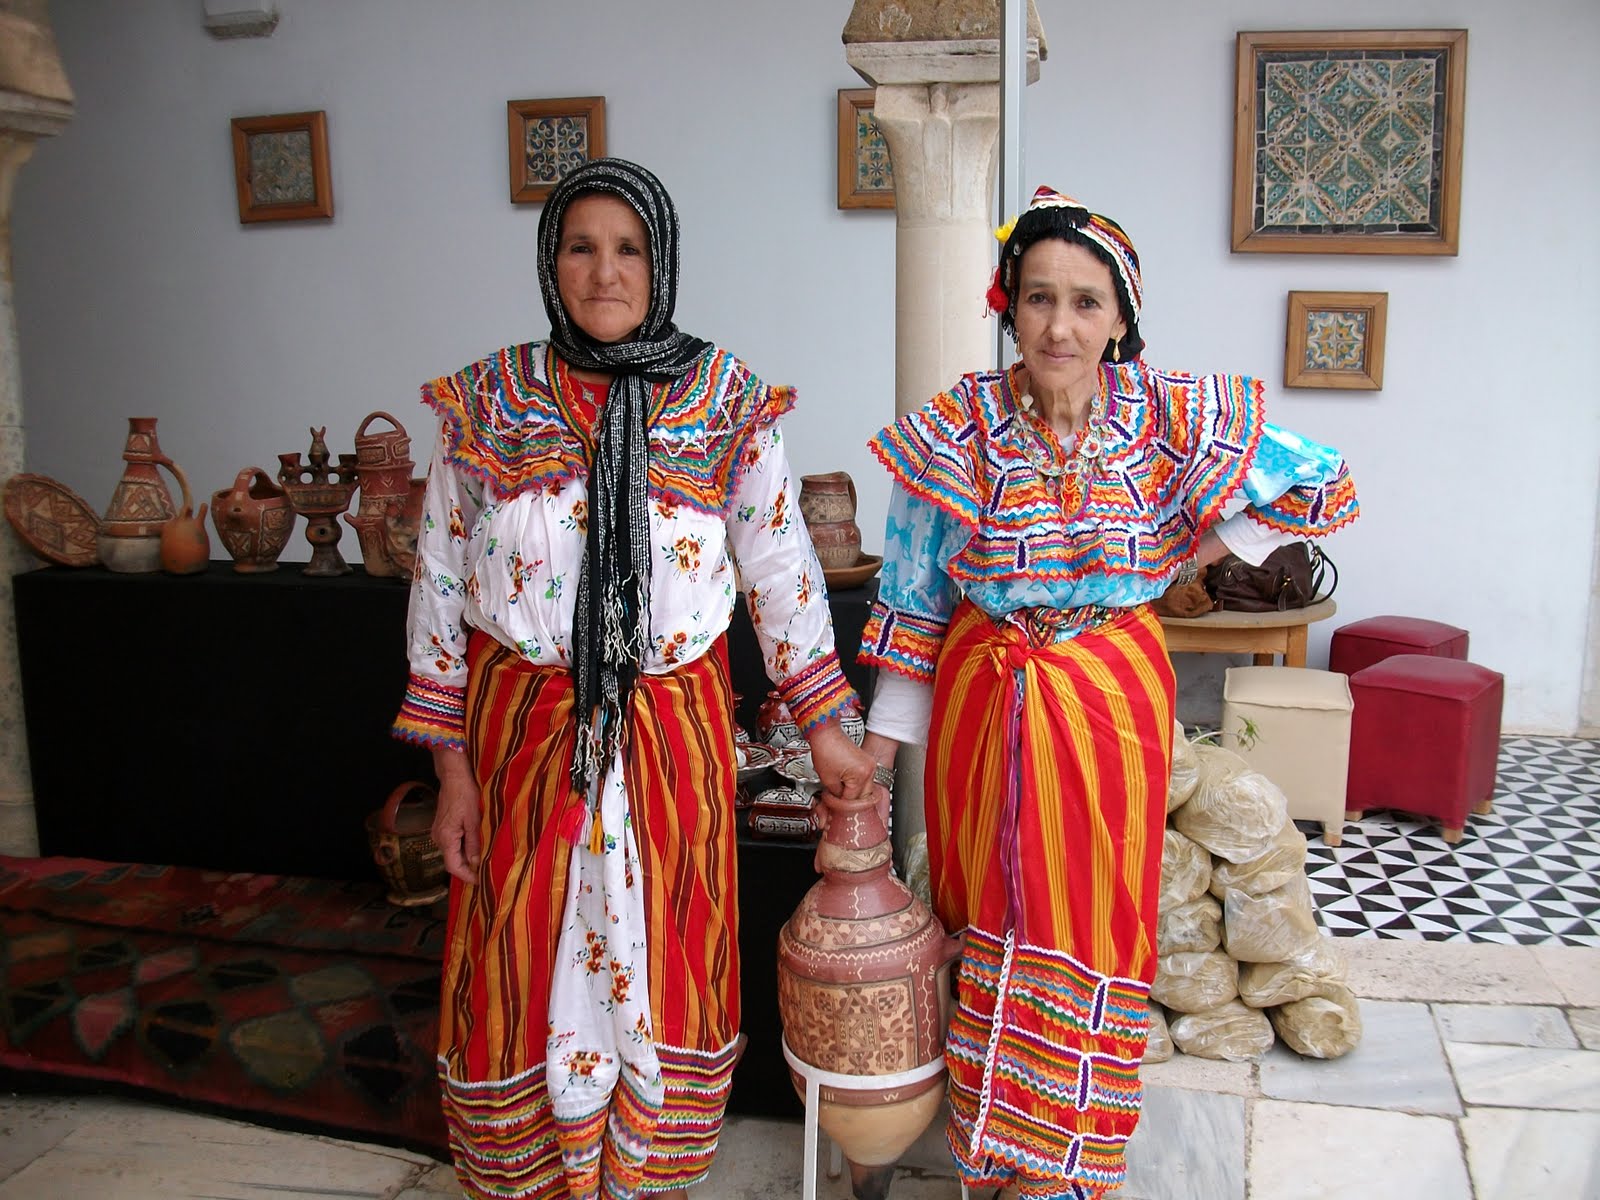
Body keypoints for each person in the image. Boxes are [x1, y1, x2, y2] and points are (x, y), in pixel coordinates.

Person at [855, 186, 1359, 1199]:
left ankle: (1070, 1160)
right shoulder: (958, 429)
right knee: (981, 906)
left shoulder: (1164, 415)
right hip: (982, 698)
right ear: (1009, 305)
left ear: (1121, 317)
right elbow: (912, 608)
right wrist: (873, 765)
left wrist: (1193, 548)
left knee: (1089, 918)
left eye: (1085, 302)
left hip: (1107, 700)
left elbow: (1316, 474)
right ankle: (993, 1158)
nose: (1059, 325)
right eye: (1038, 299)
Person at [392, 157, 878, 1200]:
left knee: (660, 955)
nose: (604, 272)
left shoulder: (726, 403)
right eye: (580, 245)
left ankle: (640, 1184)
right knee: (527, 959)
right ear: (548, 260)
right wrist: (452, 774)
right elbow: (438, 585)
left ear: (662, 264)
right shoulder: (489, 403)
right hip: (522, 740)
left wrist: (829, 735)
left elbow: (783, 575)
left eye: (629, 248)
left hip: (670, 735)